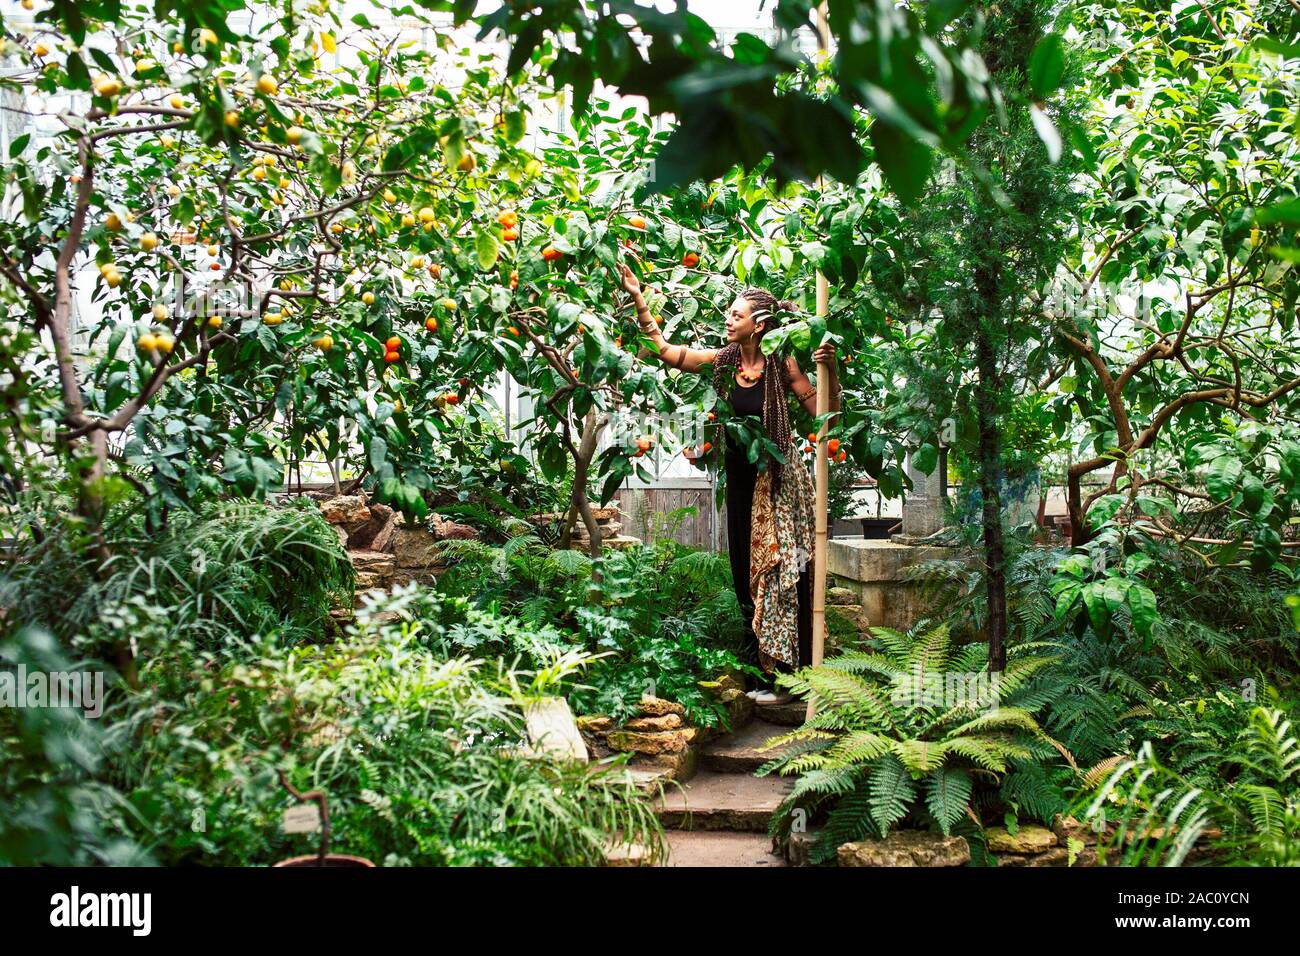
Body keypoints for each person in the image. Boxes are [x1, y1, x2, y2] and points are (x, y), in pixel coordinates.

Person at [617, 263, 842, 702]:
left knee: (783, 575)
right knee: (746, 576)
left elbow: (824, 416)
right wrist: (639, 297)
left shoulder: (782, 363)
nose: (727, 319)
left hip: (777, 482)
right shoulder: (723, 362)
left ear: (758, 326)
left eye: (735, 315)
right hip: (739, 484)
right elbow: (665, 351)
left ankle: (795, 679)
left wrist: (830, 376)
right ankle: (763, 674)